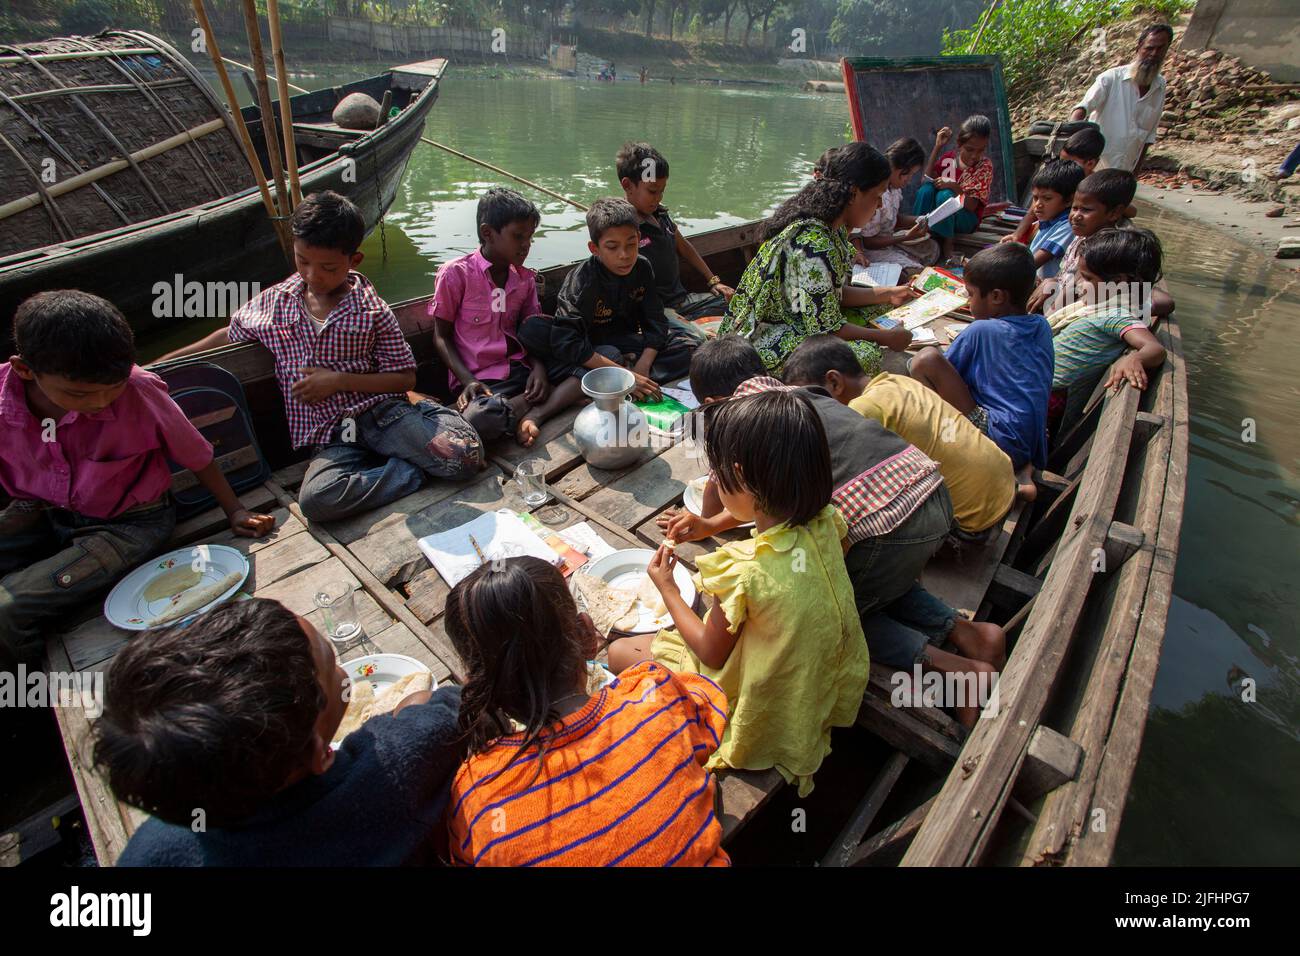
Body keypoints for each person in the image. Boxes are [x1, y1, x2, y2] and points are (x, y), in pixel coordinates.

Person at [158, 191, 486, 523]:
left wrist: (339, 381)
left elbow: (404, 378)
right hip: (332, 435)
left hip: (382, 416)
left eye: (328, 267)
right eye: (302, 261)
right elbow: (228, 334)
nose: (313, 275)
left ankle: (424, 426)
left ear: (353, 261)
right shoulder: (275, 302)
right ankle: (413, 469)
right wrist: (161, 367)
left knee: (465, 458)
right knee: (317, 501)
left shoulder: (372, 310)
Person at [610, 390, 871, 791]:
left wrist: (667, 589)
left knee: (619, 652)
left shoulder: (745, 572)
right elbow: (761, 505)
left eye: (720, 476)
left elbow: (711, 651)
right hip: (818, 682)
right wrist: (709, 524)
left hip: (762, 699)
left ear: (742, 478)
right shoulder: (823, 520)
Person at [0, 291, 274, 669]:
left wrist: (236, 510)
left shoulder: (138, 388)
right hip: (44, 513)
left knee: (6, 608)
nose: (100, 404)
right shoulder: (4, 399)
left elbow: (197, 454)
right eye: (80, 394)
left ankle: (27, 687)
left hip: (131, 524)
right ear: (24, 370)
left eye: (111, 392)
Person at [100, 599, 463, 866]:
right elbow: (452, 708)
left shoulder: (153, 850)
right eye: (331, 664)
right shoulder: (392, 771)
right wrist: (410, 707)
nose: (343, 675)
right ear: (320, 754)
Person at [443, 557, 729, 866]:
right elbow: (709, 706)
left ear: (476, 684)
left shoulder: (478, 792)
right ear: (588, 634)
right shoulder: (654, 695)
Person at [782, 334, 1030, 535]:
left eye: (813, 400)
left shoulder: (861, 412)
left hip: (972, 527)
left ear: (834, 383)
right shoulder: (900, 382)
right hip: (1004, 477)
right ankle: (1018, 491)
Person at [718, 141, 914, 378]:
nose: (880, 204)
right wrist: (886, 338)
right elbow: (825, 330)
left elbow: (833, 294)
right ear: (853, 193)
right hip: (769, 337)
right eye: (877, 195)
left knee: (884, 308)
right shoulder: (814, 245)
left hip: (803, 318)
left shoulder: (836, 229)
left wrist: (889, 293)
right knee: (865, 356)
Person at [429, 187, 582, 448]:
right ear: (488, 233)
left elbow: (531, 332)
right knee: (481, 419)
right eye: (518, 236)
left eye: (530, 237)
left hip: (521, 370)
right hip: (482, 382)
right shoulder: (456, 274)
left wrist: (538, 368)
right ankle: (540, 401)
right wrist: (468, 380)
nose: (526, 245)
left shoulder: (524, 279)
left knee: (603, 358)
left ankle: (530, 405)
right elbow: (440, 336)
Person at [518, 198, 698, 401]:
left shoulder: (642, 267)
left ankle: (614, 376)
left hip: (621, 340)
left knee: (689, 349)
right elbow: (568, 341)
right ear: (594, 248)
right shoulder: (583, 281)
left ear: (639, 238)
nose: (624, 255)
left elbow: (654, 319)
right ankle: (616, 374)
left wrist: (644, 364)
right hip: (589, 347)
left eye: (631, 244)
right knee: (533, 330)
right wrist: (628, 376)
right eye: (612, 247)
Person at [909, 244, 1054, 471]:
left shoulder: (982, 330)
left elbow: (941, 371)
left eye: (971, 294)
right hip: (1031, 441)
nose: (968, 302)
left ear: (996, 296)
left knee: (924, 360)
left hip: (999, 444)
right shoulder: (1041, 325)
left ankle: (939, 446)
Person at [1051, 229, 1166, 433]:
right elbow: (1166, 303)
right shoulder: (1111, 305)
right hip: (1039, 390)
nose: (1079, 284)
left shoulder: (1116, 315)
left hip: (1045, 403)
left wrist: (1134, 359)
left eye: (1086, 278)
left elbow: (1154, 348)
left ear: (1119, 283)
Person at [616, 142, 734, 324]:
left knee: (735, 302)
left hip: (682, 302)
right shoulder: (622, 228)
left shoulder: (660, 214)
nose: (658, 198)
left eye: (662, 191)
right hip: (656, 312)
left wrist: (713, 281)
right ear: (627, 185)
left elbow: (684, 246)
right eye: (652, 191)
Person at [1029, 168, 1136, 315]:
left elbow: (1073, 289)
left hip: (1069, 312)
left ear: (1114, 213)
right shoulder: (1081, 236)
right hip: (1055, 300)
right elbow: (1065, 274)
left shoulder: (1104, 251)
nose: (1075, 216)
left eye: (1086, 210)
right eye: (1075, 208)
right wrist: (1051, 280)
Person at [1070, 23, 1172, 172]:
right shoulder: (1111, 78)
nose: (1154, 54)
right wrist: (1074, 152)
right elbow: (1082, 109)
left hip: (1124, 171)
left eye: (1160, 49)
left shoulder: (1160, 86)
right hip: (1095, 167)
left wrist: (1135, 172)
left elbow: (1148, 136)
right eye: (1149, 48)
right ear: (1139, 48)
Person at [1002, 125, 1112, 246]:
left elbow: (1129, 210)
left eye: (1070, 162)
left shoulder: (1095, 187)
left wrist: (1104, 195)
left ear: (1090, 163)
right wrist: (1017, 234)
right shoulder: (1060, 177)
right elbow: (1033, 211)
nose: (1063, 165)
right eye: (1061, 160)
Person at [913, 115, 995, 262]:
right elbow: (925, 179)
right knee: (926, 190)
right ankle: (916, 234)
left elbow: (970, 206)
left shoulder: (984, 167)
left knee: (945, 195)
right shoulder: (949, 159)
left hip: (966, 219)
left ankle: (947, 245)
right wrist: (938, 146)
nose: (975, 155)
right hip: (942, 216)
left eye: (980, 150)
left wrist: (954, 186)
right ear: (959, 144)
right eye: (970, 149)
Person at [851, 137, 938, 272]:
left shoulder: (895, 188)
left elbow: (894, 218)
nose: (909, 180)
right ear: (898, 168)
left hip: (890, 241)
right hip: (870, 250)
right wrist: (905, 237)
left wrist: (921, 219)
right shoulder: (875, 191)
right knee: (914, 272)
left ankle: (903, 260)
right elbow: (868, 242)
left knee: (933, 249)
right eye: (909, 174)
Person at [1027, 158, 1087, 279]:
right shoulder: (1047, 219)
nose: (1038, 204)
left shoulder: (1068, 226)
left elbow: (1037, 260)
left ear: (1069, 200)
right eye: (1035, 198)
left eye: (1047, 198)